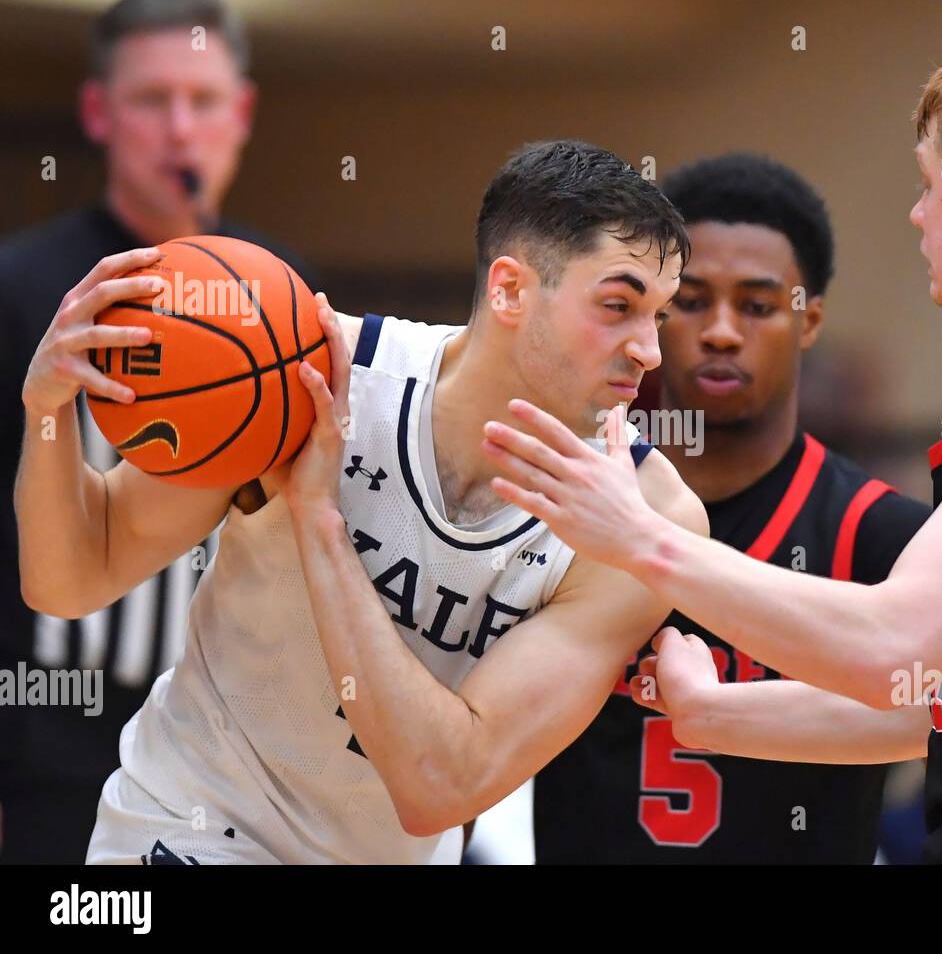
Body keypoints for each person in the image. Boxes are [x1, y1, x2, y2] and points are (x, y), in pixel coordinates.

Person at [485, 29, 942, 863]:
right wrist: (714, 712)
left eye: (924, 186)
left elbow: (889, 648)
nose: (914, 215)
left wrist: (640, 537)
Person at [17, 140, 705, 864]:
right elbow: (73, 578)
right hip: (190, 825)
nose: (649, 351)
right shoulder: (300, 372)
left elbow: (441, 785)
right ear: (508, 290)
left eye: (659, 314)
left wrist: (320, 522)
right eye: (619, 305)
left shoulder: (649, 519)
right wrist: (46, 409)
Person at [533, 153, 930, 863]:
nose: (721, 331)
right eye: (691, 300)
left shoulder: (880, 533)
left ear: (809, 322)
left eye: (756, 305)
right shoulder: (564, 499)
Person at [0, 0, 309, 864]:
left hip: (221, 740)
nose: (182, 129)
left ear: (241, 114)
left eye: (204, 101)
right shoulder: (20, 288)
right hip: (52, 728)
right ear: (98, 113)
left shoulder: (279, 292)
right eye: (152, 100)